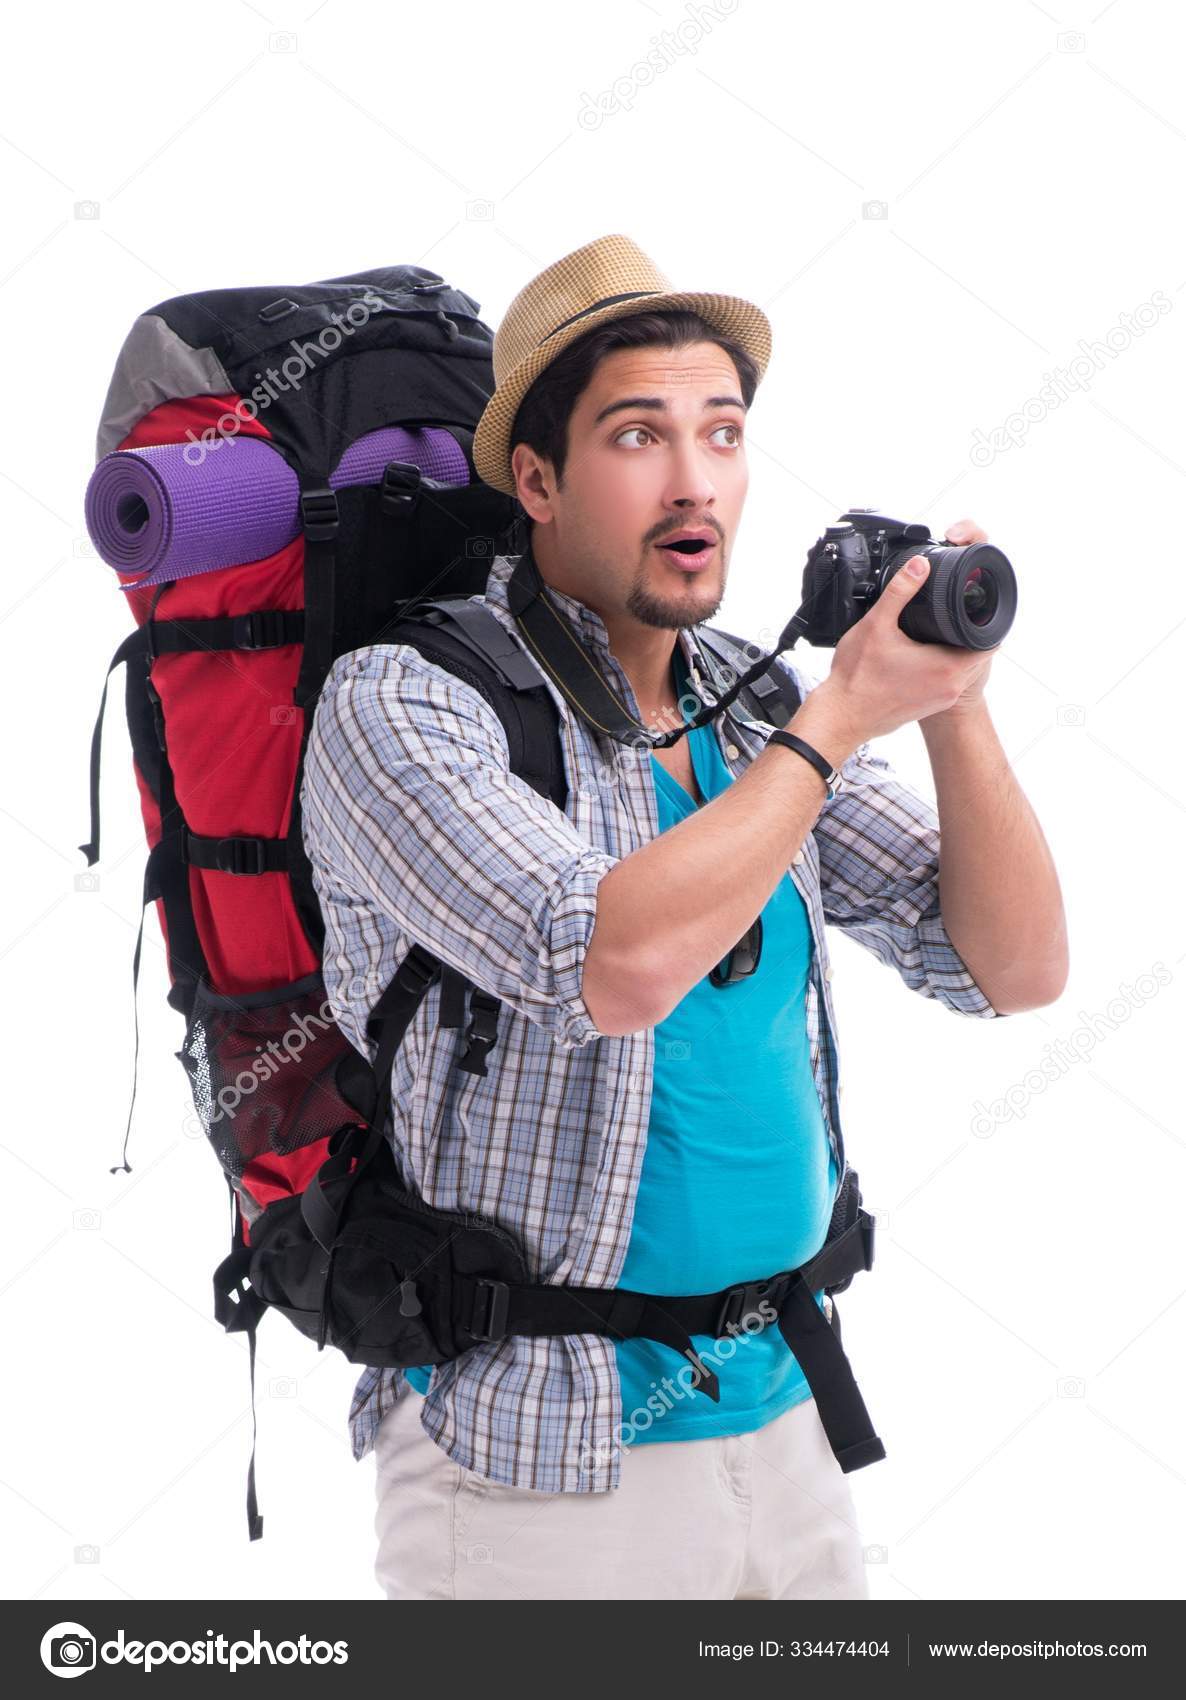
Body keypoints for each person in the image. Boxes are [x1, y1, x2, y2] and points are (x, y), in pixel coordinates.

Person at [300, 233, 1068, 1601]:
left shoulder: (749, 700)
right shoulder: (405, 703)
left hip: (784, 1416)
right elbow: (605, 961)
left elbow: (1006, 967)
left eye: (720, 432)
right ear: (535, 482)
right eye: (637, 435)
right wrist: (842, 713)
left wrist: (952, 701)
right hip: (536, 1455)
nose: (694, 474)